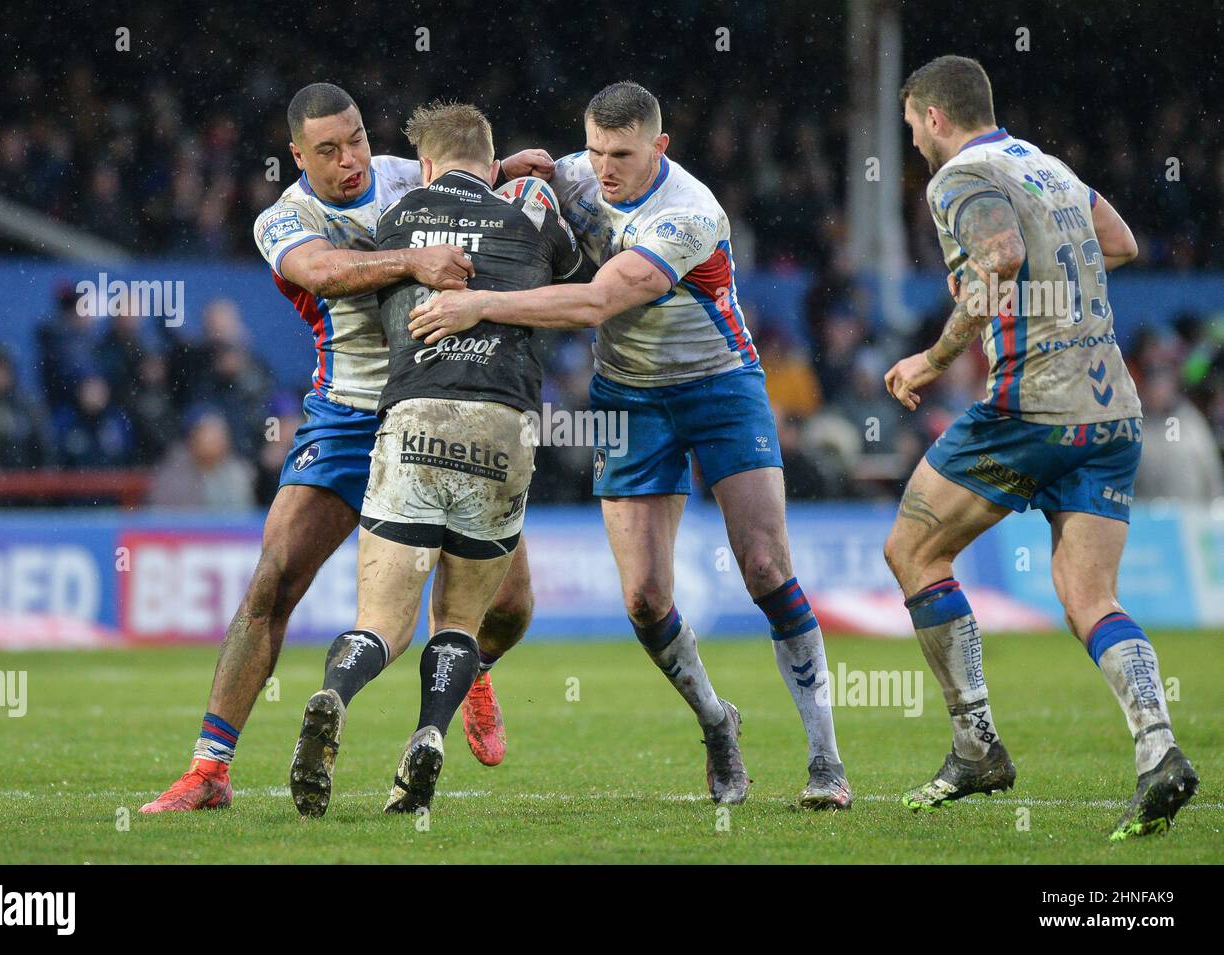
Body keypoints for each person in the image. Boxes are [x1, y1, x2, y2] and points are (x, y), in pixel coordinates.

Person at [408, 82, 850, 809]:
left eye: (622, 153)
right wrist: (500, 170)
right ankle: (717, 721)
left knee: (767, 566)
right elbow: (489, 184)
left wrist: (479, 303)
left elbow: (594, 302)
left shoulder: (690, 213)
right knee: (645, 599)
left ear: (660, 147)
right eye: (596, 150)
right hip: (629, 397)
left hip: (720, 384)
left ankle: (826, 761)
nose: (605, 168)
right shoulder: (576, 175)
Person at [141, 83, 552, 813]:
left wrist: (509, 165)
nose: (350, 159)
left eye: (357, 137)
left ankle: (467, 664)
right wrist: (413, 262)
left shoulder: (401, 172)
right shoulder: (284, 219)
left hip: (441, 406)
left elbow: (469, 173)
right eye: (327, 150)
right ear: (297, 157)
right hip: (349, 414)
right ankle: (209, 769)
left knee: (514, 606)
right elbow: (322, 271)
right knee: (273, 582)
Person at [881, 55, 1197, 840]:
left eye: (912, 123)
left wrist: (932, 358)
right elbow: (1118, 241)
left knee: (912, 552)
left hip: (1032, 407)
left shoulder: (955, 177)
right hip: (1111, 408)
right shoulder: (1047, 166)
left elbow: (1001, 257)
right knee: (1089, 597)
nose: (913, 139)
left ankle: (976, 746)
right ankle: (1159, 750)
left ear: (936, 116)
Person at [289, 101, 587, 816]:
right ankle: (428, 733)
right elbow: (573, 264)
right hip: (503, 421)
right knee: (457, 622)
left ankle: (336, 692)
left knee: (383, 622)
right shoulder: (532, 218)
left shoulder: (392, 225)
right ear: (491, 166)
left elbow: (345, 279)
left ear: (422, 168)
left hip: (414, 412)